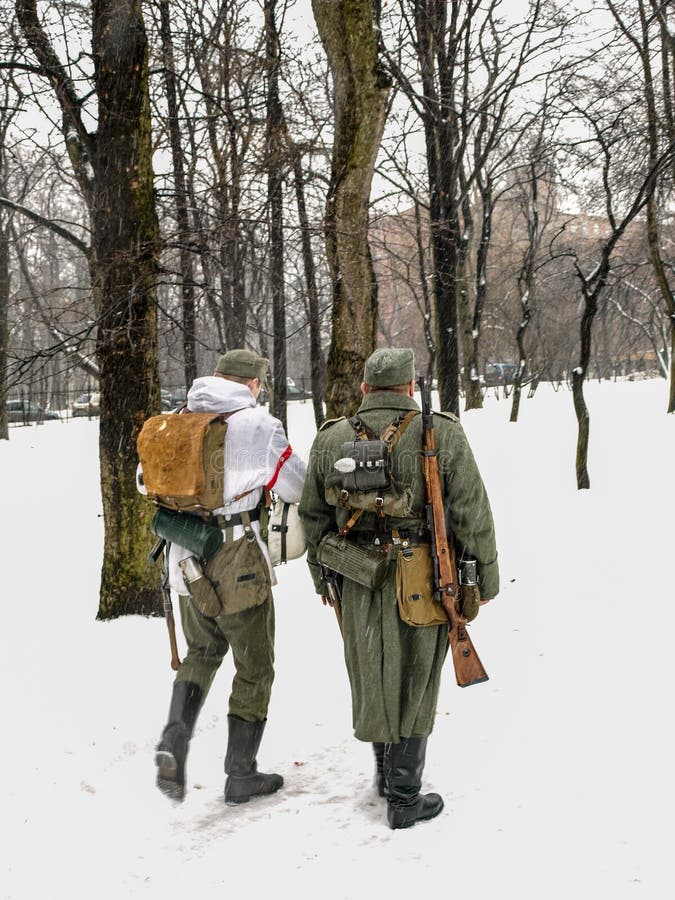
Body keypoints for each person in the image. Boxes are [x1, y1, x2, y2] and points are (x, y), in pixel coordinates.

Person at [298, 348, 499, 829]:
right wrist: (484, 579)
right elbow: (472, 511)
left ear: (365, 388)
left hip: (355, 573)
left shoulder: (333, 438)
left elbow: (312, 518)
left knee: (370, 669)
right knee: (417, 676)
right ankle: (404, 798)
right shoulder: (442, 432)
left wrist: (322, 578)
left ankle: (387, 776)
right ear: (410, 388)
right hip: (422, 575)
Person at [145, 349, 306, 804]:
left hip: (184, 556)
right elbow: (295, 484)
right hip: (238, 560)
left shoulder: (174, 420)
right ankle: (240, 773)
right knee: (255, 667)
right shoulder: (258, 425)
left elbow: (145, 480)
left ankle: (173, 742)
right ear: (252, 383)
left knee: (201, 651)